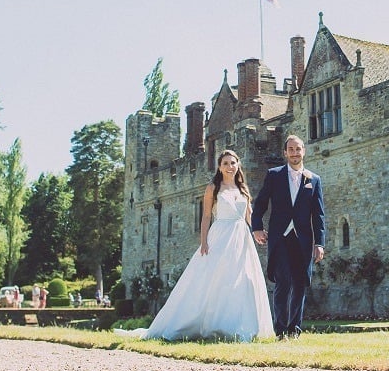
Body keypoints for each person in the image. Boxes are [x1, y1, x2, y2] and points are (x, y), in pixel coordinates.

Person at [132, 150, 274, 341]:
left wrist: (257, 231)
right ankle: (205, 323)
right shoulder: (213, 188)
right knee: (214, 278)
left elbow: (249, 215)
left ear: (238, 164)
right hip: (220, 235)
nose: (230, 166)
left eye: (233, 163)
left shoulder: (243, 189)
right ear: (219, 166)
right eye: (225, 163)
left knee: (243, 279)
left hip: (241, 238)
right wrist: (204, 241)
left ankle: (240, 325)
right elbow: (206, 216)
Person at [252, 134, 325, 339]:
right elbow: (260, 203)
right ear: (285, 153)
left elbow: (318, 214)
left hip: (303, 239)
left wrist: (319, 243)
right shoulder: (274, 175)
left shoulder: (314, 180)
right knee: (283, 283)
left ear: (304, 151)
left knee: (300, 283)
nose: (295, 153)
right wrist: (256, 227)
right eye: (291, 149)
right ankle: (281, 331)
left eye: (298, 149)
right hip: (280, 237)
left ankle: (295, 330)